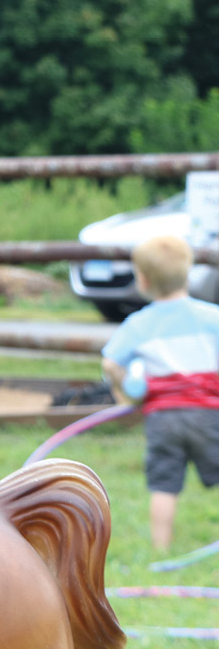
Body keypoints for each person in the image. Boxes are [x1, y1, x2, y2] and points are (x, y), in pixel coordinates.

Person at [101, 234, 219, 552]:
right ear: (189, 272)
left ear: (143, 280)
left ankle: (160, 547)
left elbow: (110, 362)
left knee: (164, 484)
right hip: (209, 413)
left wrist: (127, 388)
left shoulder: (138, 324)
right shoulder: (212, 317)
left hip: (162, 417)